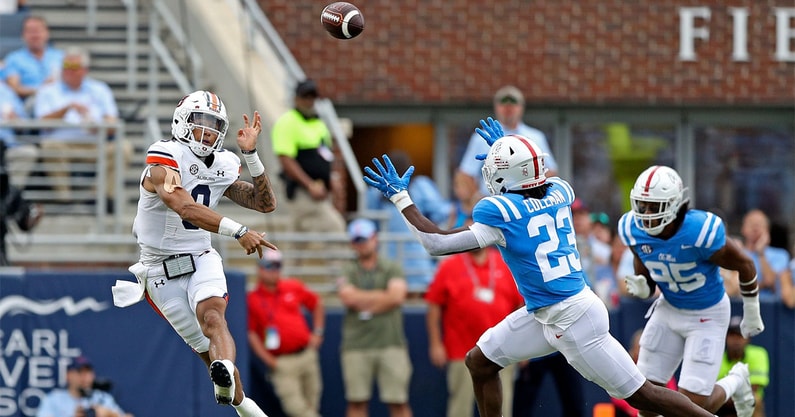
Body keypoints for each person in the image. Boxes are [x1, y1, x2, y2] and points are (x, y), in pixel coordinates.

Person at [362, 117, 724, 417]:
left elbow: (436, 242)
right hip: (548, 313)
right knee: (481, 361)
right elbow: (532, 179)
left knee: (642, 395)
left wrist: (401, 196)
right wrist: (507, 144)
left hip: (573, 319)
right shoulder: (558, 192)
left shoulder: (500, 214)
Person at [111, 90, 276, 417]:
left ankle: (226, 372)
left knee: (214, 319)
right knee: (209, 356)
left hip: (201, 255)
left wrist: (251, 154)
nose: (208, 131)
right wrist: (239, 231)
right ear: (182, 121)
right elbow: (184, 206)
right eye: (200, 122)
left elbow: (264, 204)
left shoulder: (224, 163)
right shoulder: (164, 155)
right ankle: (242, 403)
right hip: (159, 271)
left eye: (215, 125)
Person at [618, 165, 764, 417]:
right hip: (669, 308)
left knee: (693, 407)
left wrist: (752, 312)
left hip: (706, 313)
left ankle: (736, 380)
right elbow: (645, 272)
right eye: (642, 205)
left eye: (655, 207)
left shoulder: (699, 231)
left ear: (675, 205)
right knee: (644, 399)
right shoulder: (632, 229)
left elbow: (746, 264)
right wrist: (644, 287)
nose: (647, 214)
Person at [424, 244, 523, 417]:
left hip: (501, 352)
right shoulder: (449, 266)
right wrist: (435, 343)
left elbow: (520, 306)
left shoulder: (505, 263)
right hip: (461, 350)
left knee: (503, 406)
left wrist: (521, 345)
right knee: (460, 407)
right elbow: (433, 305)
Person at [34, 45, 132, 202]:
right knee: (50, 146)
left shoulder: (100, 89)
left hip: (94, 143)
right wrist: (66, 109)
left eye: (74, 66)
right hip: (61, 144)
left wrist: (97, 125)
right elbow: (41, 123)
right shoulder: (47, 91)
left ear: (85, 69)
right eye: (66, 66)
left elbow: (113, 123)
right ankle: (63, 199)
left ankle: (99, 197)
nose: (69, 70)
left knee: (123, 148)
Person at [336, 218, 413, 417]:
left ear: (375, 239)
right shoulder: (348, 269)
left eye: (365, 239)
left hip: (391, 343)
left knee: (399, 402)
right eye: (357, 240)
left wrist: (363, 300)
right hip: (356, 345)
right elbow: (348, 297)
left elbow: (397, 297)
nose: (361, 245)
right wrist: (383, 297)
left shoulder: (391, 266)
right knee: (356, 402)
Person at [247, 248, 325, 417]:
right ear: (260, 268)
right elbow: (252, 334)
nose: (273, 270)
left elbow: (316, 303)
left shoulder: (292, 286)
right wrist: (270, 361)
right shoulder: (253, 299)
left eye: (277, 266)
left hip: (306, 355)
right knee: (296, 409)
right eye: (269, 265)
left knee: (312, 404)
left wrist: (318, 332)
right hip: (282, 362)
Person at [271, 79, 346, 248]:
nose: (309, 101)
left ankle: (289, 273)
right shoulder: (287, 121)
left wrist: (332, 178)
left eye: (312, 97)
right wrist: (310, 184)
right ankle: (340, 274)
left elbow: (325, 156)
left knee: (297, 239)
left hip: (319, 190)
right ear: (296, 99)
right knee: (334, 227)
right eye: (305, 97)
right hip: (300, 191)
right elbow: (286, 160)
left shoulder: (318, 123)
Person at [366, 150, 450, 290]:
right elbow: (441, 213)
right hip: (407, 258)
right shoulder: (377, 192)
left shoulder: (376, 192)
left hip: (407, 258)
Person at [458, 85, 558, 196]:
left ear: (521, 107)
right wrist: (477, 199)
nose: (508, 108)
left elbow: (550, 171)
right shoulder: (482, 138)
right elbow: (466, 174)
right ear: (496, 107)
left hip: (526, 201)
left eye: (513, 104)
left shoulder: (536, 137)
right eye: (503, 104)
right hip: (494, 201)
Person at [611, 329, 678, 417]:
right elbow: (616, 397)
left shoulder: (662, 370)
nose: (642, 352)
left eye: (646, 349)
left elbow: (671, 394)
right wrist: (634, 410)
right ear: (633, 349)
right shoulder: (625, 368)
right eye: (639, 348)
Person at [36, 356, 131, 417]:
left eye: (88, 372)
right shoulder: (53, 400)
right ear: (68, 375)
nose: (86, 377)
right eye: (80, 372)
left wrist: (109, 414)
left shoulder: (102, 398)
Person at [715, 316, 769, 417]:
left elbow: (754, 388)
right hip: (721, 406)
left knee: (755, 400)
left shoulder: (759, 354)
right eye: (732, 335)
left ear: (748, 338)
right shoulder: (716, 358)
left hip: (744, 403)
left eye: (740, 335)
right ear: (726, 338)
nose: (736, 340)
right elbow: (712, 391)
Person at [2, 14, 63, 99]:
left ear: (47, 33)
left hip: (59, 100)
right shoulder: (14, 59)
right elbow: (14, 88)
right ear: (23, 35)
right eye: (30, 31)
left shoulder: (61, 57)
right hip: (30, 102)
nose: (35, 35)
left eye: (38, 30)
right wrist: (41, 90)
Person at [739, 209, 790, 301]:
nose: (755, 228)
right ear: (743, 229)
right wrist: (762, 285)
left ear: (767, 230)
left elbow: (771, 281)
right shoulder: (737, 253)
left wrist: (761, 253)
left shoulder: (781, 255)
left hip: (769, 308)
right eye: (751, 224)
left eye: (759, 224)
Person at [0, 78, 37, 188]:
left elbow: (23, 124)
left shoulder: (5, 90)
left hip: (8, 145)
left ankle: (10, 198)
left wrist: (15, 118)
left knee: (28, 152)